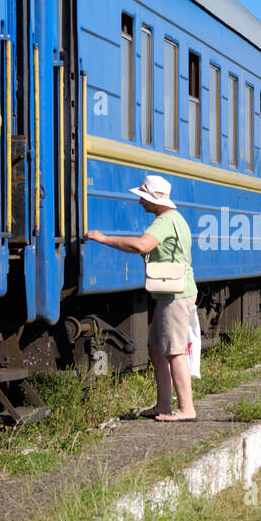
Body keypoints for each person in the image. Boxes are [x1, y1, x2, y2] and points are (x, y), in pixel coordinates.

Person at [83, 174, 197, 422]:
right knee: (156, 348)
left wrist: (103, 239)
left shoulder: (165, 221)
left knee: (174, 351)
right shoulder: (173, 219)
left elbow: (142, 246)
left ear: (155, 199)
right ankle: (163, 406)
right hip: (170, 294)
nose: (139, 202)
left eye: (143, 197)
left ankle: (187, 409)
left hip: (175, 296)